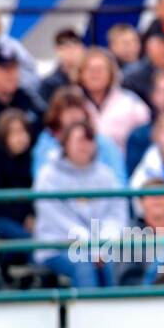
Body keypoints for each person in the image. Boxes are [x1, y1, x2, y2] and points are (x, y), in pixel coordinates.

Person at [32, 120, 128, 288]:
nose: (84, 146)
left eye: (89, 140)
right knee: (83, 266)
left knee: (115, 264)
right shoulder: (47, 177)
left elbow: (116, 214)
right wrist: (91, 247)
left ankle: (115, 312)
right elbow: (58, 220)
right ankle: (89, 313)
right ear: (66, 143)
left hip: (102, 247)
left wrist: (103, 245)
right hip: (58, 246)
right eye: (79, 140)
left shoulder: (106, 175)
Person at [32, 85, 126, 184]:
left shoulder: (102, 142)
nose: (73, 115)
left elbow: (118, 179)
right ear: (57, 114)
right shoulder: (46, 142)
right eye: (67, 110)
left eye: (77, 108)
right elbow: (40, 177)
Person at [0, 108, 35, 286]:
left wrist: (31, 215)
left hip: (23, 220)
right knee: (30, 242)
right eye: (14, 132)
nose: (20, 137)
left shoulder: (29, 159)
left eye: (23, 131)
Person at [77, 47, 151, 149]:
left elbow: (146, 136)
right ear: (81, 74)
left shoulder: (131, 103)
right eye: (90, 69)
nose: (95, 74)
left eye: (100, 69)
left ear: (111, 73)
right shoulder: (70, 102)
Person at [38, 27, 86, 105]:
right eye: (65, 48)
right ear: (57, 51)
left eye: (74, 47)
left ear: (82, 49)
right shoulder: (49, 84)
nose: (70, 52)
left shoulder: (90, 80)